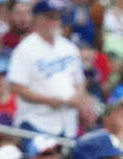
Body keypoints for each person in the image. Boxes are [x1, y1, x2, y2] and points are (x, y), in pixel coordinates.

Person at [7, 0, 86, 139]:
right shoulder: (25, 49)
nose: (56, 21)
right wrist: (48, 100)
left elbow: (80, 80)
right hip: (36, 122)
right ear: (37, 19)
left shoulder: (68, 47)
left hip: (67, 122)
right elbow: (16, 86)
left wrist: (79, 97)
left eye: (58, 16)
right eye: (51, 17)